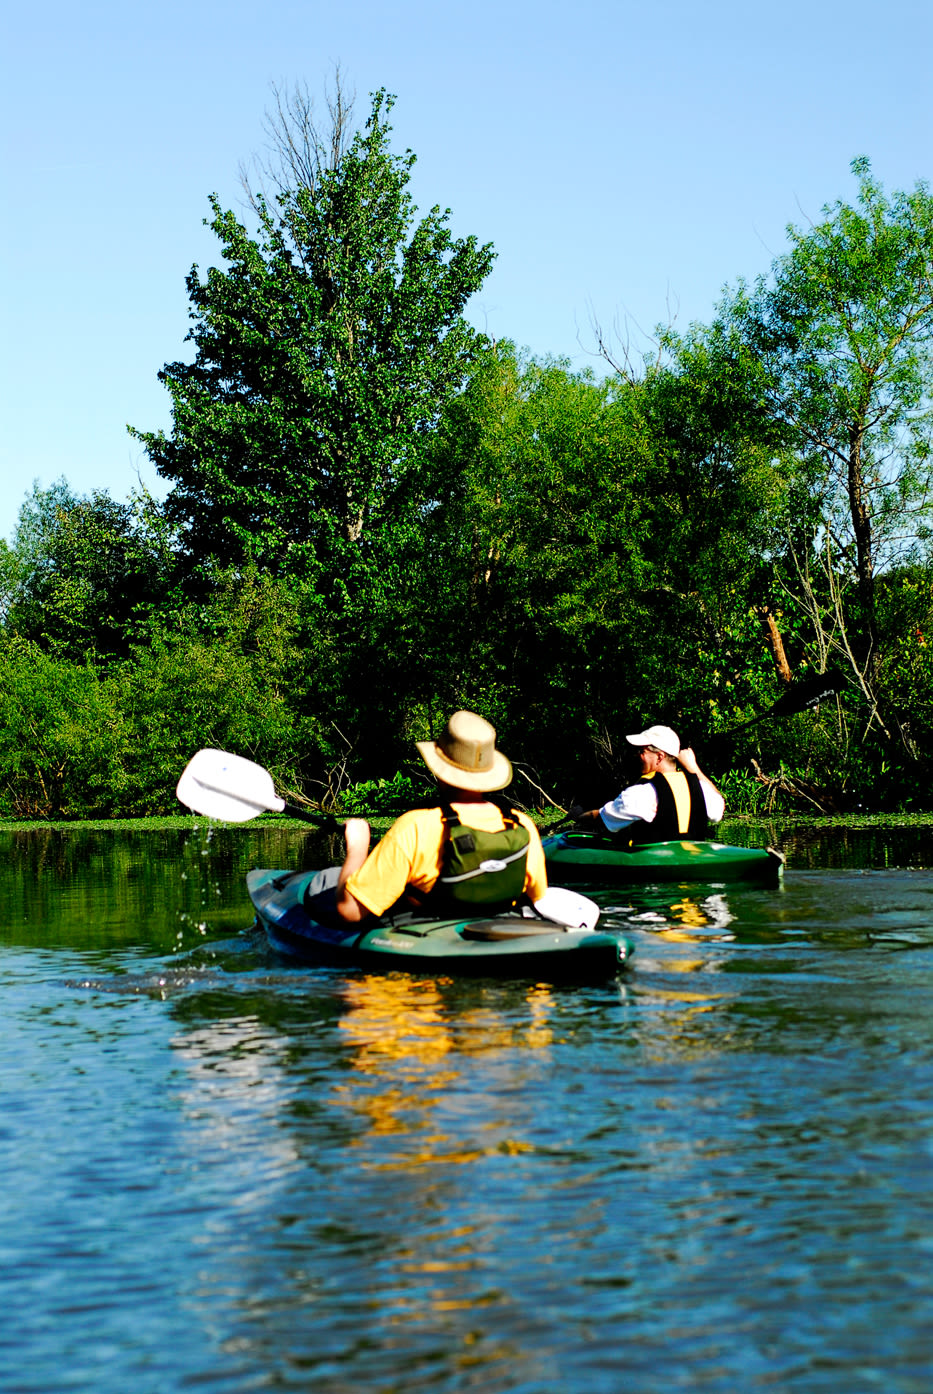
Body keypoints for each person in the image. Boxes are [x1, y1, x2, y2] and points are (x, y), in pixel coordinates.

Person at [333, 710, 548, 923]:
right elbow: (538, 897)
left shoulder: (415, 826)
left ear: (439, 768)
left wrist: (358, 846)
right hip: (497, 933)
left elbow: (349, 910)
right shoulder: (521, 824)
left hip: (427, 936)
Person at [572, 724, 725, 843]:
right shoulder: (701, 789)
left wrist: (578, 817)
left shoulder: (643, 793)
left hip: (655, 874)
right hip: (694, 860)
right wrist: (694, 767)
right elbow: (719, 806)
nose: (637, 755)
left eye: (642, 751)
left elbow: (601, 818)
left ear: (659, 757)